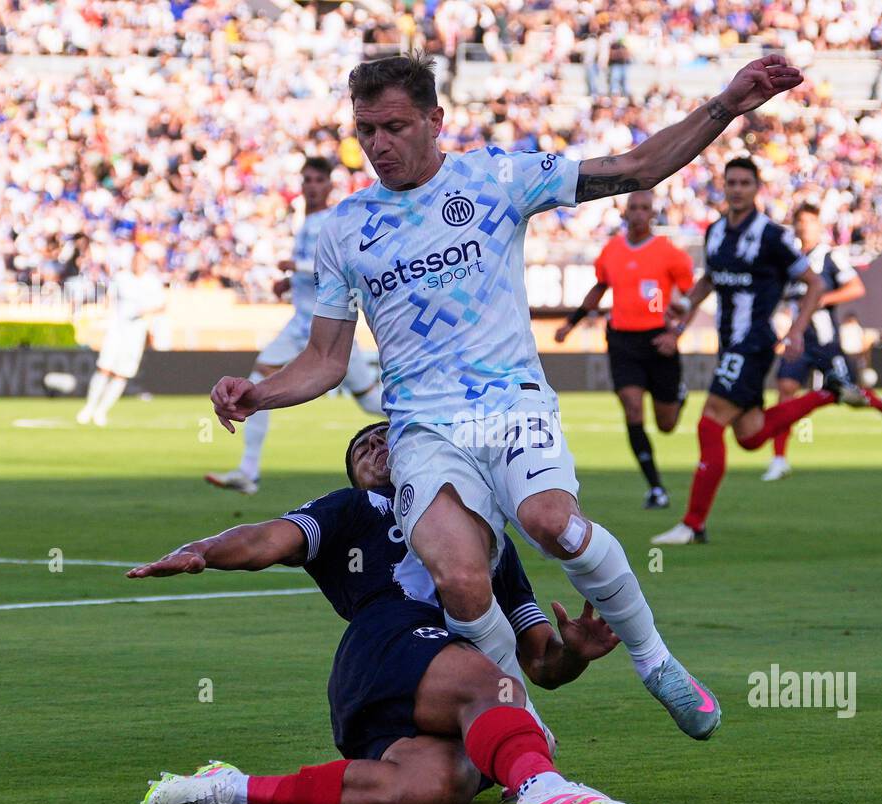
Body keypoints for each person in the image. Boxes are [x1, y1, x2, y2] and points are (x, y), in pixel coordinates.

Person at [210, 52, 806, 741]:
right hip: (424, 430)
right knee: (462, 581)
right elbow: (325, 359)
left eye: (394, 126)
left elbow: (637, 167)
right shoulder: (347, 228)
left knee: (551, 521)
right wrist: (259, 393)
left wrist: (728, 103)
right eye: (365, 129)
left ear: (436, 120)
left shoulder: (498, 177)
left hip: (510, 404)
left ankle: (657, 662)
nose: (377, 144)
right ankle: (524, 726)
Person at [134, 422, 647, 804]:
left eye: (386, 437)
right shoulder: (357, 508)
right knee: (491, 684)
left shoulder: (489, 541)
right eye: (364, 448)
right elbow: (266, 539)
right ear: (356, 476)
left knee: (438, 787)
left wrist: (573, 653)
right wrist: (204, 551)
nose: (377, 447)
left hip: (431, 685)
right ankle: (542, 787)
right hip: (386, 644)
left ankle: (231, 787)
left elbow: (539, 663)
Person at [649, 156, 859, 546]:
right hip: (729, 342)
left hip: (754, 343)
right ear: (724, 187)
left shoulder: (772, 236)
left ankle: (693, 524)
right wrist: (683, 312)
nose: (737, 189)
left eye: (745, 183)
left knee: (709, 421)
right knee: (749, 433)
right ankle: (828, 394)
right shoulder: (714, 233)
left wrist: (795, 331)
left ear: (757, 189)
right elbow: (709, 281)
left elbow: (813, 284)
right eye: (732, 182)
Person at [206, 158, 383, 495]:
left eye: (318, 180)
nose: (311, 186)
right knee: (257, 381)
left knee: (371, 401)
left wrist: (295, 266)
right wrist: (290, 282)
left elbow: (338, 263)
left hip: (325, 322)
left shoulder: (330, 220)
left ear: (330, 185)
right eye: (306, 180)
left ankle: (422, 410)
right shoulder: (305, 222)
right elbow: (317, 273)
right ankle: (248, 470)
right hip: (303, 321)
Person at [555, 191, 694, 508]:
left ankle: (678, 396)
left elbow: (691, 298)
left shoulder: (671, 254)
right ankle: (656, 487)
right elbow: (599, 288)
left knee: (667, 424)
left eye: (645, 208)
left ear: (653, 214)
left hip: (659, 340)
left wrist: (676, 333)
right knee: (632, 407)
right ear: (625, 212)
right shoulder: (612, 250)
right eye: (633, 207)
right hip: (622, 340)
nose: (639, 213)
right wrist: (571, 323)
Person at [761, 203, 882, 482]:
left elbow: (856, 287)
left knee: (849, 394)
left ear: (819, 225)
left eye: (810, 222)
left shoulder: (830, 257)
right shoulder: (790, 260)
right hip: (798, 340)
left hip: (826, 341)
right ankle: (779, 459)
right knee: (785, 389)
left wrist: (822, 299)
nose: (804, 227)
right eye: (800, 222)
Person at [77, 249, 166, 427]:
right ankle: (89, 408)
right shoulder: (121, 278)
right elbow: (108, 299)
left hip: (136, 333)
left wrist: (146, 313)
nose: (138, 264)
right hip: (117, 329)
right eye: (136, 260)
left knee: (121, 374)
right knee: (104, 367)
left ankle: (101, 412)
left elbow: (162, 306)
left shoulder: (153, 282)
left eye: (142, 261)